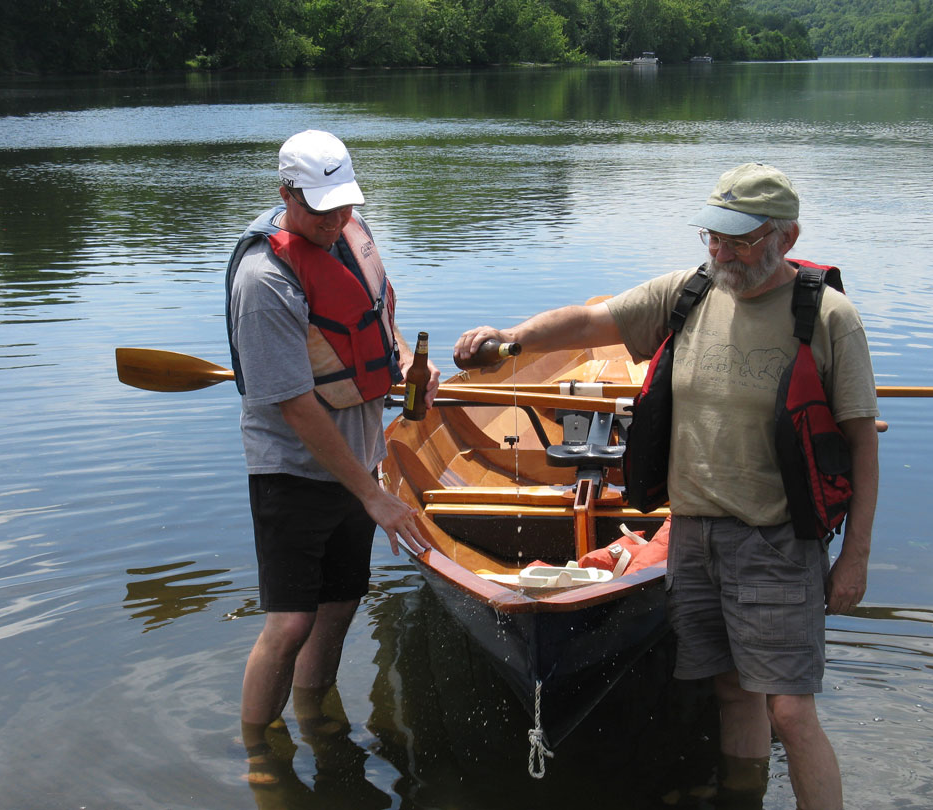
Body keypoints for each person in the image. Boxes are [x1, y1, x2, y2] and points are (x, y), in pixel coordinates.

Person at [454, 163, 878, 810]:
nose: (719, 251)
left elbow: (861, 441)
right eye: (713, 235)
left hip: (778, 543)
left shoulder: (827, 317)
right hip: (695, 535)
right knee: (734, 691)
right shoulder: (690, 293)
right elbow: (588, 323)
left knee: (790, 713)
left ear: (784, 239)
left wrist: (855, 557)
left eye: (738, 239)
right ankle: (743, 798)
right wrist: (510, 339)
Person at [225, 130, 436, 767]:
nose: (336, 220)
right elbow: (295, 406)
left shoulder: (349, 233)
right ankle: (260, 756)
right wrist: (374, 496)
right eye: (320, 209)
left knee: (340, 605)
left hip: (358, 467)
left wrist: (400, 365)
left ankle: (318, 724)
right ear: (285, 193)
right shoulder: (265, 282)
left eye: (344, 204)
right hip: (293, 472)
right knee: (289, 624)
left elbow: (377, 318)